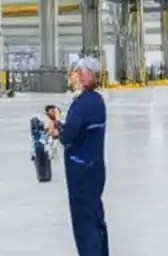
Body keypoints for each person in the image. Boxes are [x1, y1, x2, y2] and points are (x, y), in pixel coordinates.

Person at [60, 57, 109, 256]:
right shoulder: (97, 101)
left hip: (80, 172)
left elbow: (69, 136)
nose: (70, 77)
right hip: (95, 169)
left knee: (84, 225)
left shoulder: (80, 105)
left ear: (82, 75)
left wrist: (58, 130)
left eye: (73, 73)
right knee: (96, 219)